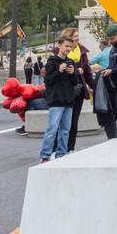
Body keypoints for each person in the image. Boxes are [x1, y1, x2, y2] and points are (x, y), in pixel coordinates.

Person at [39, 35, 80, 162]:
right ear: (59, 46)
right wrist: (59, 71)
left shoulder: (71, 62)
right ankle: (45, 155)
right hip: (56, 100)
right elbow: (48, 81)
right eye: (66, 46)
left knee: (65, 130)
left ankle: (61, 153)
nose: (68, 48)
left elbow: (75, 82)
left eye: (70, 46)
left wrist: (73, 73)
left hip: (68, 100)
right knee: (52, 129)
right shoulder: (51, 62)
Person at [58, 27, 95, 155]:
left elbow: (88, 72)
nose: (77, 39)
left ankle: (70, 148)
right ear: (68, 38)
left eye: (78, 37)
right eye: (75, 37)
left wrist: (93, 87)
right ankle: (59, 148)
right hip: (64, 91)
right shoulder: (60, 52)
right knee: (62, 121)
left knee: (74, 121)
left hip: (78, 90)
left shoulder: (82, 52)